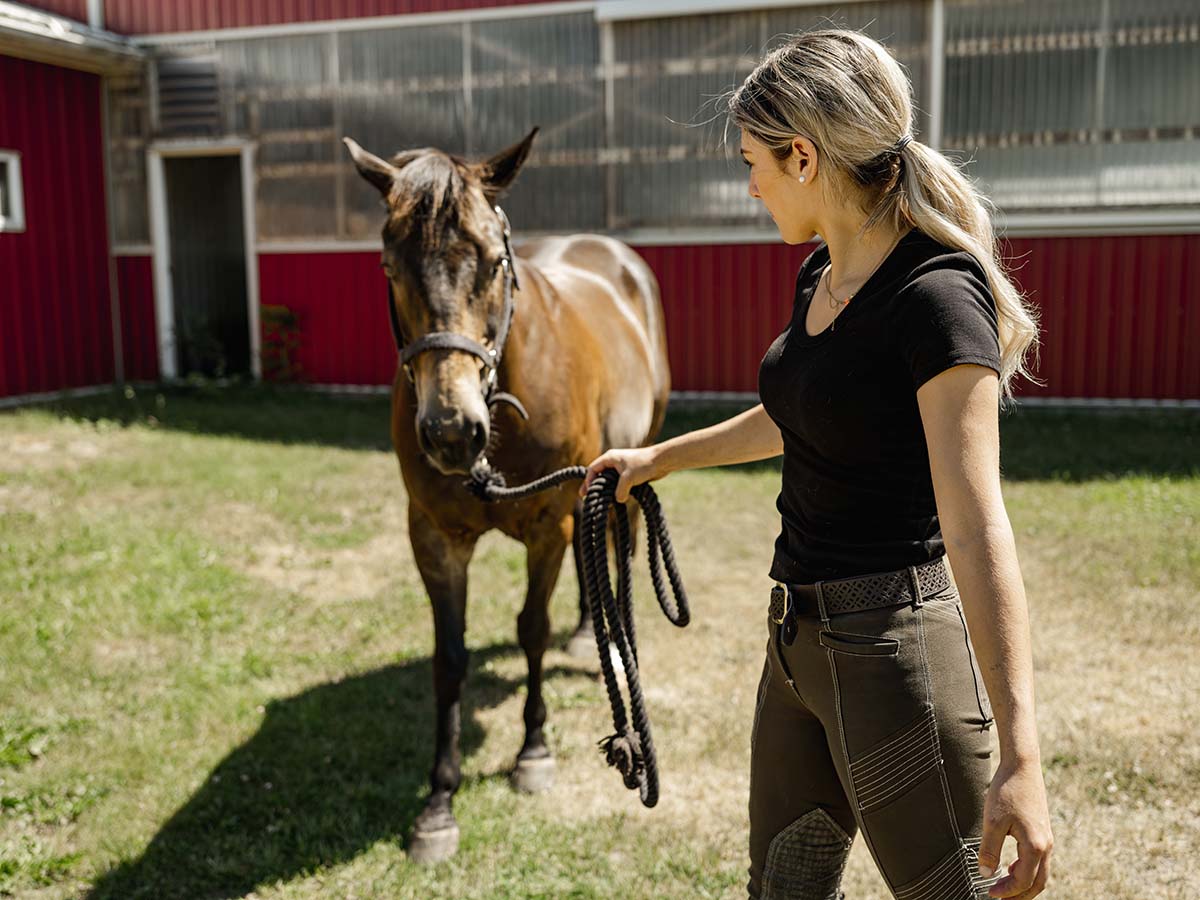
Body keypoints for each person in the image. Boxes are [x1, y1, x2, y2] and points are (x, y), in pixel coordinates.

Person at [580, 28, 1053, 900]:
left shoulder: (938, 300)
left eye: (753, 159)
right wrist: (656, 458)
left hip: (894, 660)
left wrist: (1022, 753)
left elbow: (978, 519)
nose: (748, 181)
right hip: (796, 650)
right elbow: (802, 412)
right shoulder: (824, 275)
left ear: (803, 156)